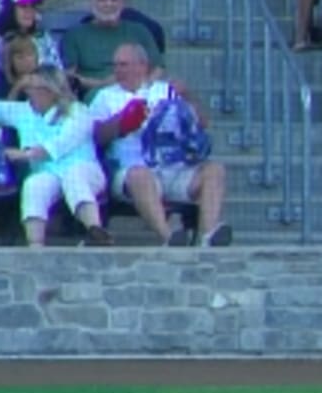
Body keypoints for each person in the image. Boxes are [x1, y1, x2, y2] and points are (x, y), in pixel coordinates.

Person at [89, 43, 230, 246]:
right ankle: (169, 236)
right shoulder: (105, 96)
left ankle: (208, 235)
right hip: (133, 171)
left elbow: (203, 123)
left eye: (124, 65)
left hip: (176, 168)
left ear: (142, 65)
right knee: (139, 174)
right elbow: (97, 137)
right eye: (116, 65)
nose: (117, 70)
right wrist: (122, 122)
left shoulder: (166, 91)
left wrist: (188, 96)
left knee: (215, 170)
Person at [0, 66, 111, 247]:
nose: (30, 93)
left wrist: (24, 154)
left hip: (84, 168)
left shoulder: (78, 112)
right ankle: (35, 246)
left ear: (52, 91)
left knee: (74, 177)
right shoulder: (24, 111)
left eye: (35, 89)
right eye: (29, 88)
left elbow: (60, 144)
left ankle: (95, 232)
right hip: (48, 172)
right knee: (34, 185)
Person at [61, 0, 162, 94]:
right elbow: (69, 76)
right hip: (97, 93)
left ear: (122, 4)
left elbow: (158, 67)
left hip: (139, 89)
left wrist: (145, 86)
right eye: (102, 0)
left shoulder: (139, 30)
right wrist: (102, 84)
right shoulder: (75, 35)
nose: (108, 4)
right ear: (91, 4)